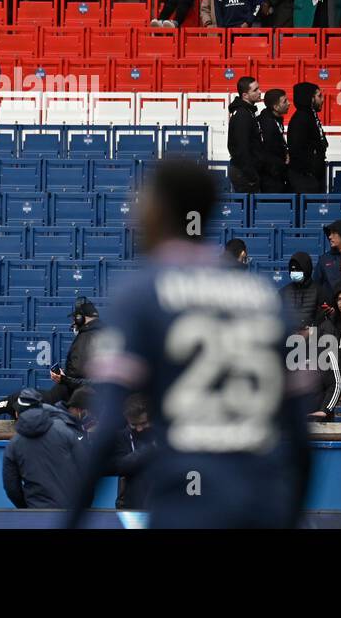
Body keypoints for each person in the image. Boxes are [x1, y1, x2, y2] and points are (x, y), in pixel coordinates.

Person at [70, 159, 309, 528]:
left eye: (141, 198)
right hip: (262, 504)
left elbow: (103, 438)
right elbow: (300, 439)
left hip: (186, 505)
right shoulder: (263, 297)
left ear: (160, 208)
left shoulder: (142, 293)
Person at [1, 388, 84, 509]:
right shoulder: (66, 432)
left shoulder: (13, 445)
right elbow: (85, 470)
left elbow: (12, 488)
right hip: (68, 511)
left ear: (17, 413)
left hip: (35, 512)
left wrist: (28, 507)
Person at [42, 299, 103, 407]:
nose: (73, 322)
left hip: (79, 397)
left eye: (75, 318)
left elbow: (79, 375)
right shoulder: (103, 333)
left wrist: (63, 378)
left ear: (80, 318)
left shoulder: (85, 337)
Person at [286, 82, 328, 194]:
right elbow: (297, 151)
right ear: (311, 98)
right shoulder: (300, 120)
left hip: (312, 178)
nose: (323, 100)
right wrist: (311, 172)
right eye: (319, 96)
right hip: (305, 181)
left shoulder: (311, 116)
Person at [227, 76, 266, 193]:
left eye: (259, 88)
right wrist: (252, 176)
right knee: (246, 209)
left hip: (246, 172)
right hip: (244, 174)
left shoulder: (248, 112)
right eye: (255, 90)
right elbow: (241, 149)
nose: (260, 92)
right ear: (245, 95)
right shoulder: (242, 115)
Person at [256, 88, 290, 193]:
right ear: (275, 107)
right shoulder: (267, 124)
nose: (289, 103)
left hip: (277, 172)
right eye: (284, 101)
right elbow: (269, 151)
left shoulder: (276, 119)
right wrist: (282, 164)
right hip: (271, 176)